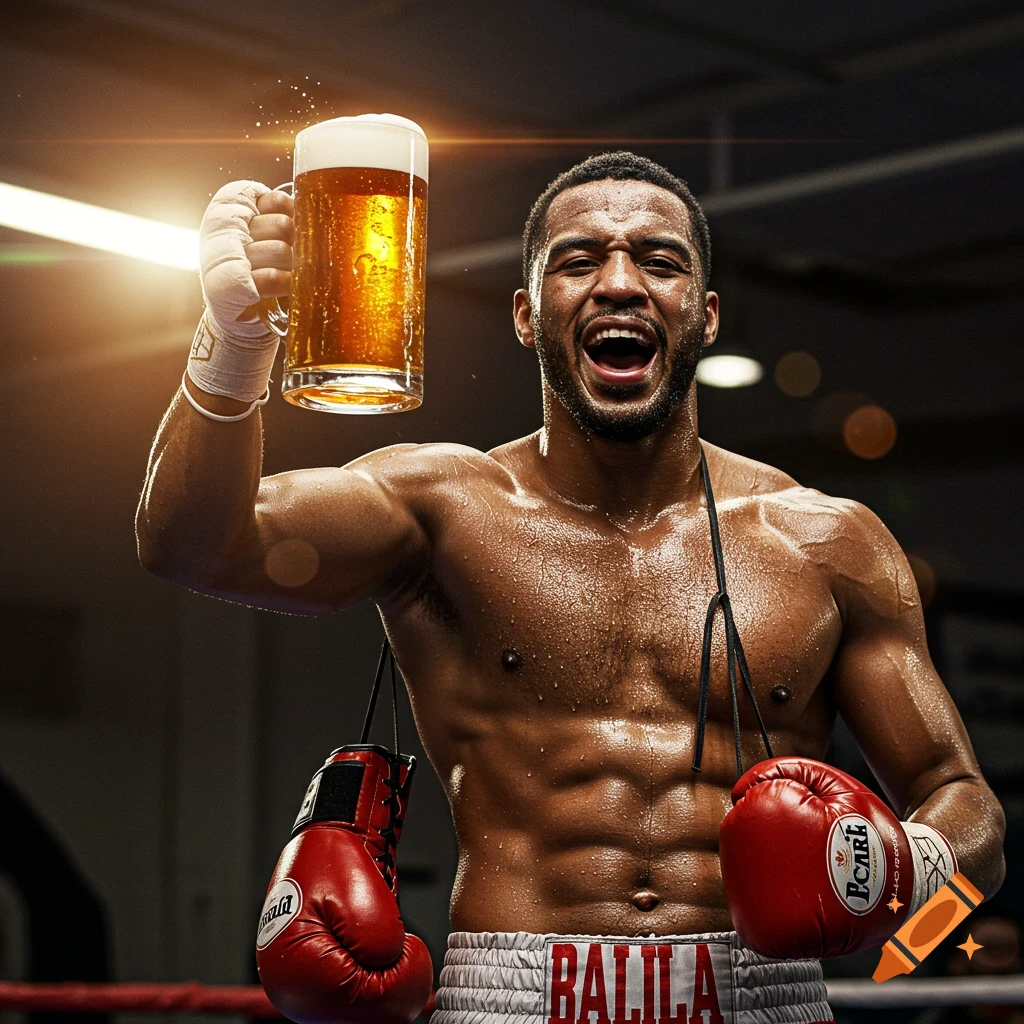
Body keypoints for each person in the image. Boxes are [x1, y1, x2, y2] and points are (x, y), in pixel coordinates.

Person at [137, 152, 1006, 1024]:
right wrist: (235, 342)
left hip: (759, 996)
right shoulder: (441, 508)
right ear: (526, 314)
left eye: (659, 261)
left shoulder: (827, 539)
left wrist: (901, 882)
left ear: (704, 318)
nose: (620, 283)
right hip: (511, 996)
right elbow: (193, 546)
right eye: (578, 259)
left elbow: (971, 817)